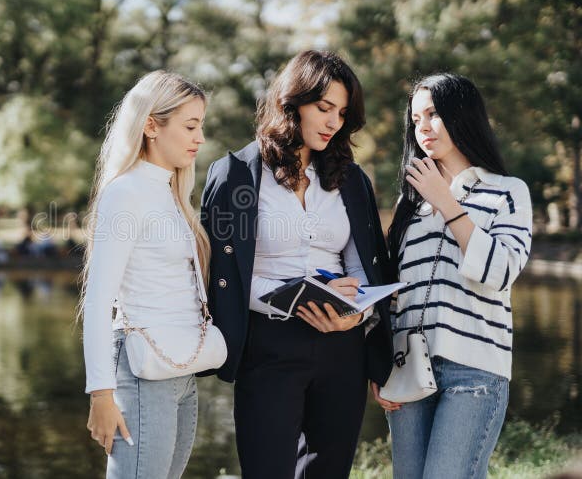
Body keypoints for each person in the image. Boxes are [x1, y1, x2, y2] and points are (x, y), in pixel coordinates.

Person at [201, 50, 394, 479]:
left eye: (341, 113)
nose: (333, 122)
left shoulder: (352, 179)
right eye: (324, 108)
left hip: (343, 348)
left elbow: (362, 264)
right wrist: (292, 297)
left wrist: (356, 313)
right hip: (268, 346)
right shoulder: (235, 175)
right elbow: (222, 275)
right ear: (293, 103)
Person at [373, 73, 533, 479]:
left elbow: (499, 272)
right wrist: (380, 365)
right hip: (408, 371)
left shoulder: (508, 191)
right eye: (415, 119)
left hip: (473, 372)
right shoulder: (409, 204)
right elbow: (396, 294)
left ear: (463, 115)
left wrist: (446, 202)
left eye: (433, 114)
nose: (423, 127)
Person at [81, 70, 209, 478]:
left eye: (200, 126)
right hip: (142, 373)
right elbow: (98, 301)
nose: (200, 138)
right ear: (151, 126)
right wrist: (101, 394)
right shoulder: (125, 193)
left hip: (182, 370)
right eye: (190, 126)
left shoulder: (172, 194)